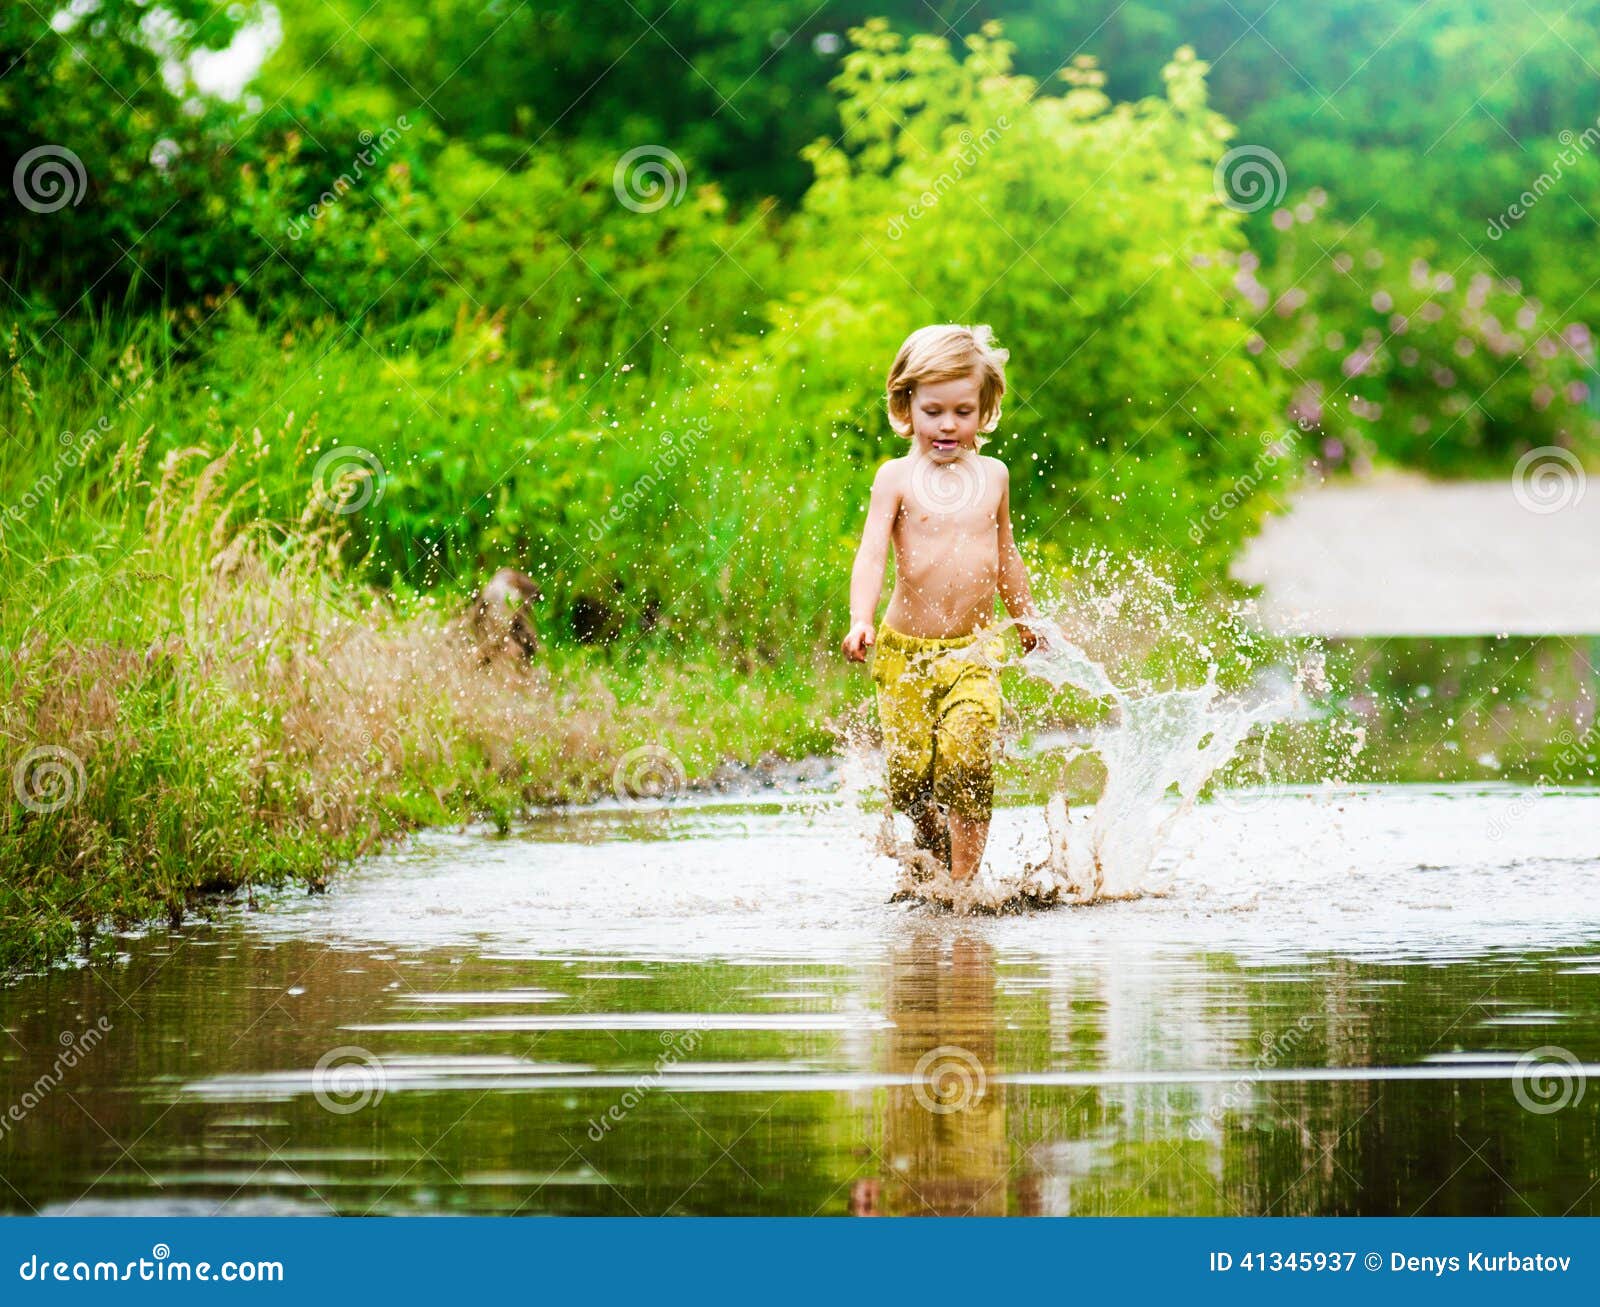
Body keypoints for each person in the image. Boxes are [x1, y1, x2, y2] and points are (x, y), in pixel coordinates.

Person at [842, 323, 1045, 896]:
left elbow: (1006, 554)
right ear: (906, 406)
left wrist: (1025, 616)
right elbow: (872, 551)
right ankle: (929, 868)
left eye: (963, 410)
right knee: (910, 782)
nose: (949, 425)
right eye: (934, 411)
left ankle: (962, 888)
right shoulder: (896, 478)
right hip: (905, 655)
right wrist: (862, 618)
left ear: (985, 409)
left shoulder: (995, 477)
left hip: (976, 650)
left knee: (968, 758)